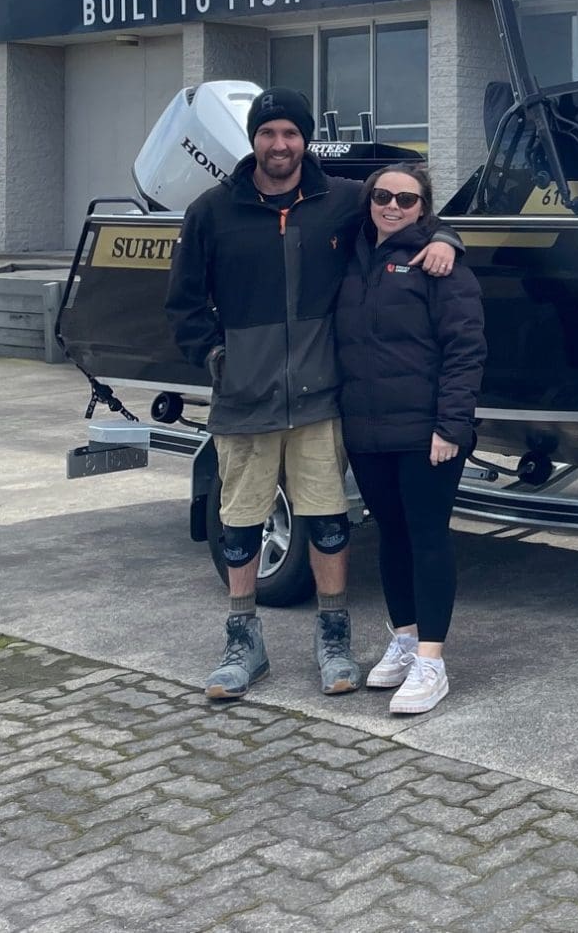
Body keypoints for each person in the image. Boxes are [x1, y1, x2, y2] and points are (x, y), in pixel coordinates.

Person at [166, 88, 460, 702]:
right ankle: (243, 644)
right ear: (253, 139)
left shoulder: (344, 200)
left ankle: (334, 642)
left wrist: (447, 240)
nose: (280, 145)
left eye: (291, 134)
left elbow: (406, 210)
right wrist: (218, 360)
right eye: (268, 133)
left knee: (328, 522)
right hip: (245, 400)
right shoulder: (210, 212)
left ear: (305, 140)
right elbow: (184, 305)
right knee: (240, 524)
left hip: (321, 398)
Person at [335, 163, 486, 714]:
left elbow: (466, 349)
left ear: (424, 208)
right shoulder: (349, 255)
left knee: (427, 537)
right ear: (368, 201)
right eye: (382, 196)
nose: (392, 206)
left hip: (426, 433)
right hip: (366, 429)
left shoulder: (439, 263)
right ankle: (403, 638)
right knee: (391, 535)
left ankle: (431, 661)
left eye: (406, 199)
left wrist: (451, 426)